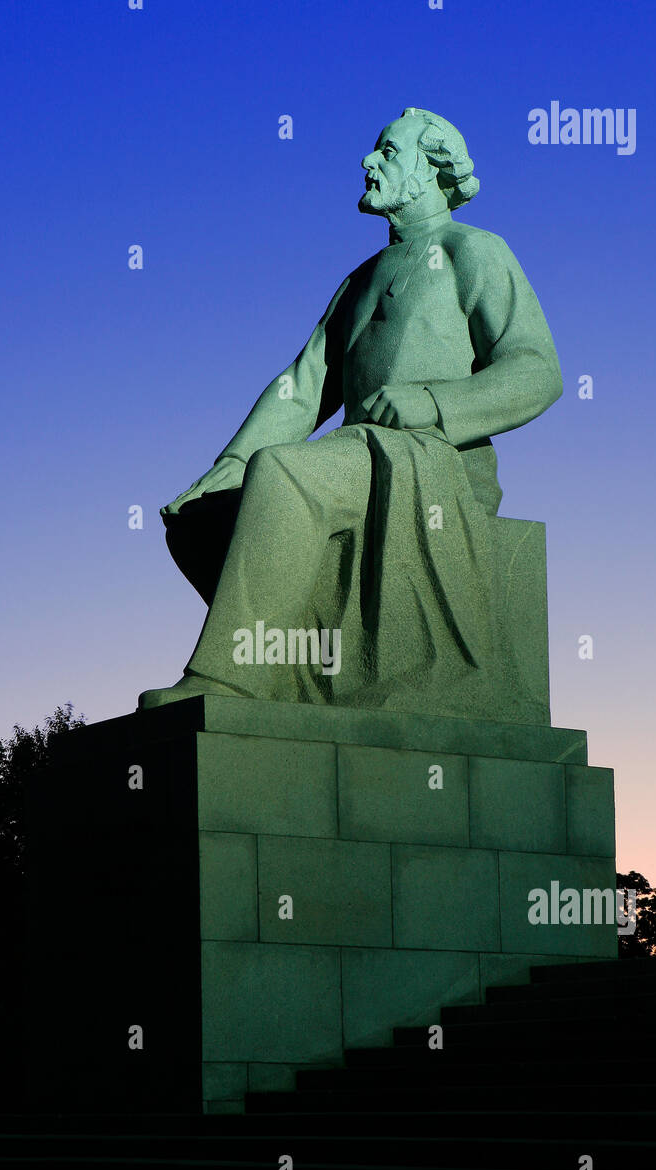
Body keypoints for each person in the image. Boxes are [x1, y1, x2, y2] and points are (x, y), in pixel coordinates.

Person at [140, 108, 562, 718]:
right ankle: (297, 670)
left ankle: (230, 680)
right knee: (203, 515)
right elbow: (303, 387)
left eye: (389, 152)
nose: (369, 162)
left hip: (429, 463)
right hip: (358, 457)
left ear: (432, 168)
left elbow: (537, 370)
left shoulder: (475, 251)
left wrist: (435, 404)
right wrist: (229, 464)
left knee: (283, 473)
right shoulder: (359, 279)